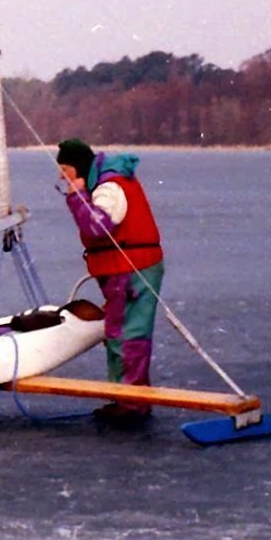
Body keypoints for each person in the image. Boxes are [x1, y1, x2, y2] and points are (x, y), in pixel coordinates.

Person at [56, 138, 164, 422]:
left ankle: (132, 403)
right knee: (119, 333)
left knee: (129, 335)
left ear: (78, 168)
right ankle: (124, 397)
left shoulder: (109, 187)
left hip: (133, 270)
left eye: (65, 169)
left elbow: (97, 226)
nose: (61, 176)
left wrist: (75, 197)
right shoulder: (104, 184)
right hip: (123, 270)